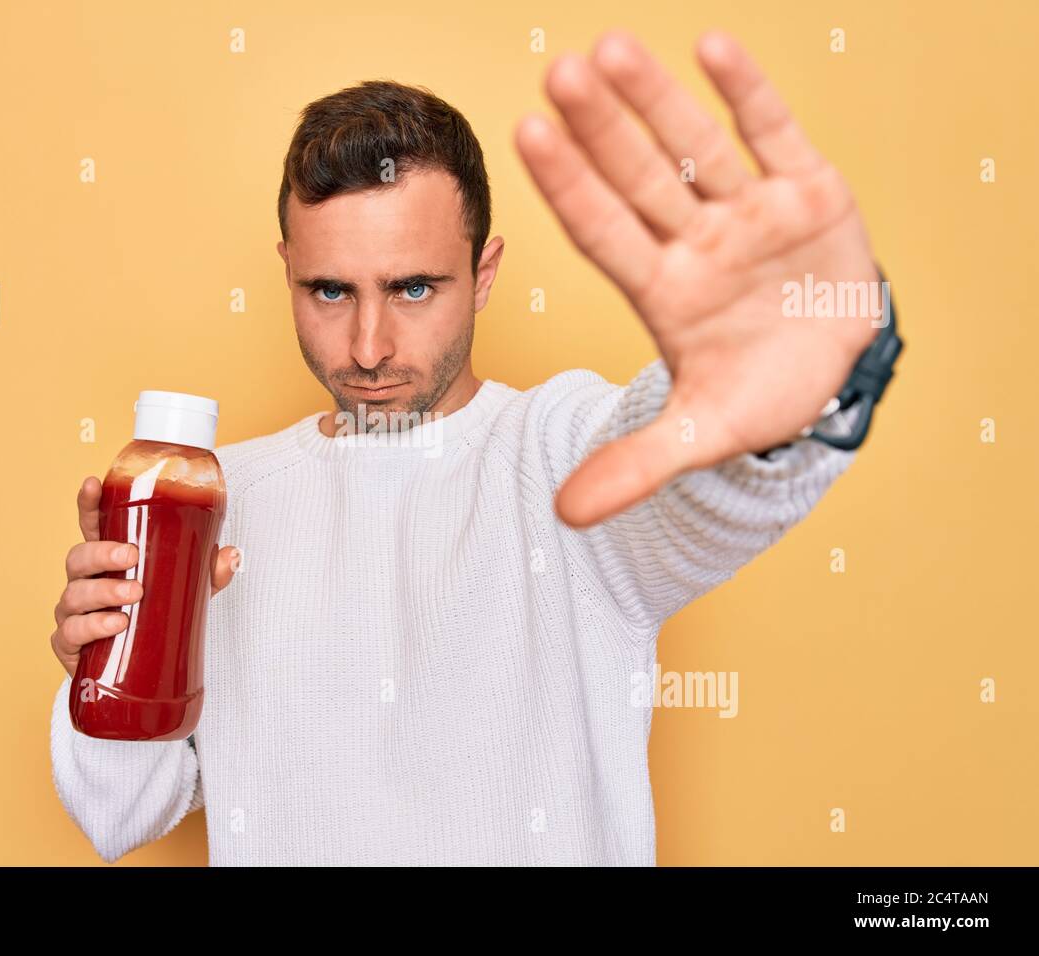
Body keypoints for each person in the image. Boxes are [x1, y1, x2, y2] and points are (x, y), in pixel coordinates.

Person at [48, 30, 894, 865]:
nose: (369, 347)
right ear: (287, 270)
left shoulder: (559, 448)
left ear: (484, 273)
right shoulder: (217, 501)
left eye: (414, 287)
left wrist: (802, 364)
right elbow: (119, 813)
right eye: (330, 290)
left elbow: (707, 477)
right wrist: (107, 657)